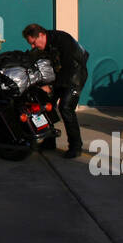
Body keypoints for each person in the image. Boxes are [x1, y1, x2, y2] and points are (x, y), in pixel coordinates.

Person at [23, 23, 89, 158]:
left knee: (66, 107)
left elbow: (69, 67)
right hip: (58, 77)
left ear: (41, 35)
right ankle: (49, 141)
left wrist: (52, 87)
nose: (33, 46)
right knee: (46, 105)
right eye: (31, 44)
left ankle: (76, 147)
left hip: (75, 76)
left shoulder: (62, 39)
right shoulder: (42, 46)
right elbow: (31, 57)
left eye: (34, 43)